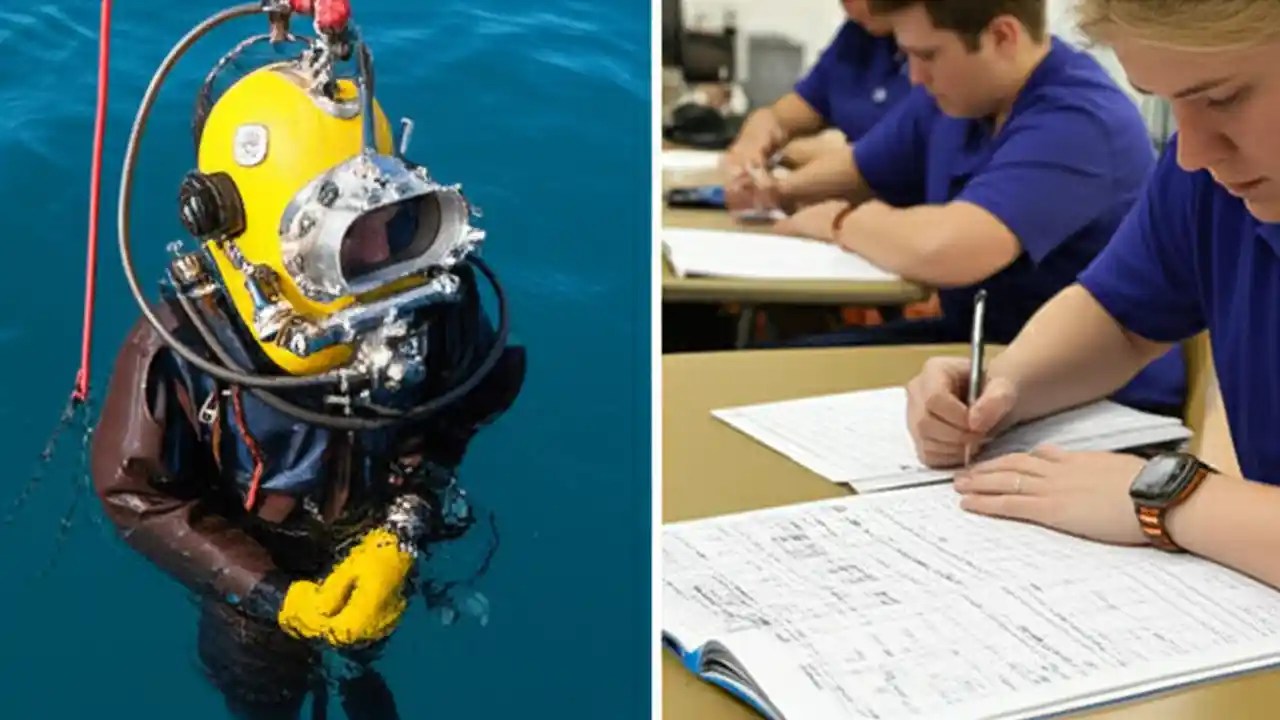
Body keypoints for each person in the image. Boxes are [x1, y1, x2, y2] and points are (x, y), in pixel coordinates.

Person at [90, 15, 526, 719]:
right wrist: (273, 596)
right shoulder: (184, 347)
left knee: (366, 644)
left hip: (381, 523)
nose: (388, 259)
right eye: (355, 240)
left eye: (402, 221)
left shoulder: (428, 298)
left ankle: (360, 679)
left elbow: (470, 396)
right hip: (254, 556)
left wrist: (404, 526)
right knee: (260, 684)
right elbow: (134, 492)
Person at [902, 0, 1280, 589]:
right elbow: (1117, 318)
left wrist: (1174, 500)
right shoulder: (1211, 184)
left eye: (1223, 98)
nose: (1191, 152)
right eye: (1165, 101)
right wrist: (1003, 388)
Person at [758, 0, 1186, 416]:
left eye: (927, 55)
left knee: (786, 391)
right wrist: (775, 189)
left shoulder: (1082, 119)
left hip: (1097, 395)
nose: (915, 76)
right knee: (771, 371)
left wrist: (840, 222)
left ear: (1002, 36)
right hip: (981, 350)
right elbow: (860, 167)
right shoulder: (961, 97)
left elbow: (947, 250)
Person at [721, 0, 910, 208]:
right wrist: (750, 148)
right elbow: (779, 117)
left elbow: (881, 162)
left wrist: (786, 177)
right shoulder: (857, 36)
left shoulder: (934, 51)